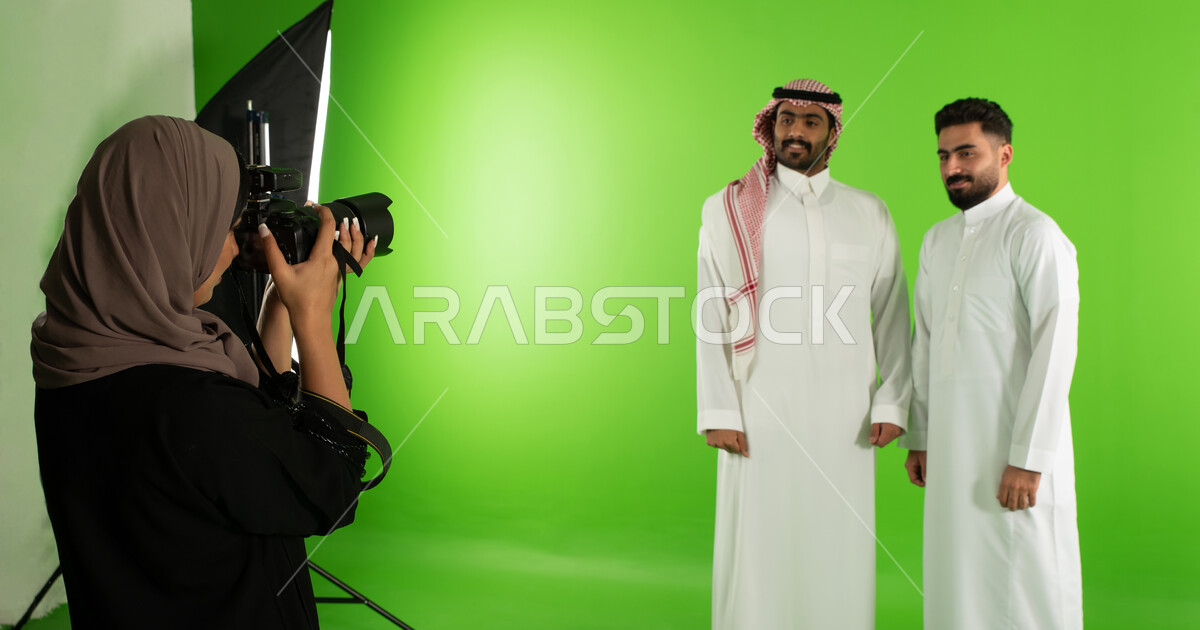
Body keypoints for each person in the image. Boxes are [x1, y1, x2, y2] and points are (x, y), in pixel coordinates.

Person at [30, 116, 378, 628]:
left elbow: (250, 447)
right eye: (225, 229)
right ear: (169, 230)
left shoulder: (71, 362)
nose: (235, 249)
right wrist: (313, 321)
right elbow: (331, 486)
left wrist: (279, 308)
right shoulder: (190, 404)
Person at [695, 78, 912, 629]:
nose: (795, 131)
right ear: (770, 127)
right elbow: (711, 310)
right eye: (785, 119)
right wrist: (719, 410)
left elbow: (892, 313)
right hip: (759, 407)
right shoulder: (731, 209)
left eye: (810, 121)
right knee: (759, 542)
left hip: (846, 415)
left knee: (839, 539)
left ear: (831, 132)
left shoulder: (869, 212)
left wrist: (893, 401)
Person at [902, 98, 1082, 629]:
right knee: (956, 579)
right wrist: (921, 435)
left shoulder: (1035, 234)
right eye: (943, 156)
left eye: (967, 153)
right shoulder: (937, 240)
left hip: (1013, 451)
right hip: (951, 452)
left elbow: (1055, 349)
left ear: (1004, 155)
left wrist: (1029, 457)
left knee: (1025, 583)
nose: (952, 167)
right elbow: (925, 342)